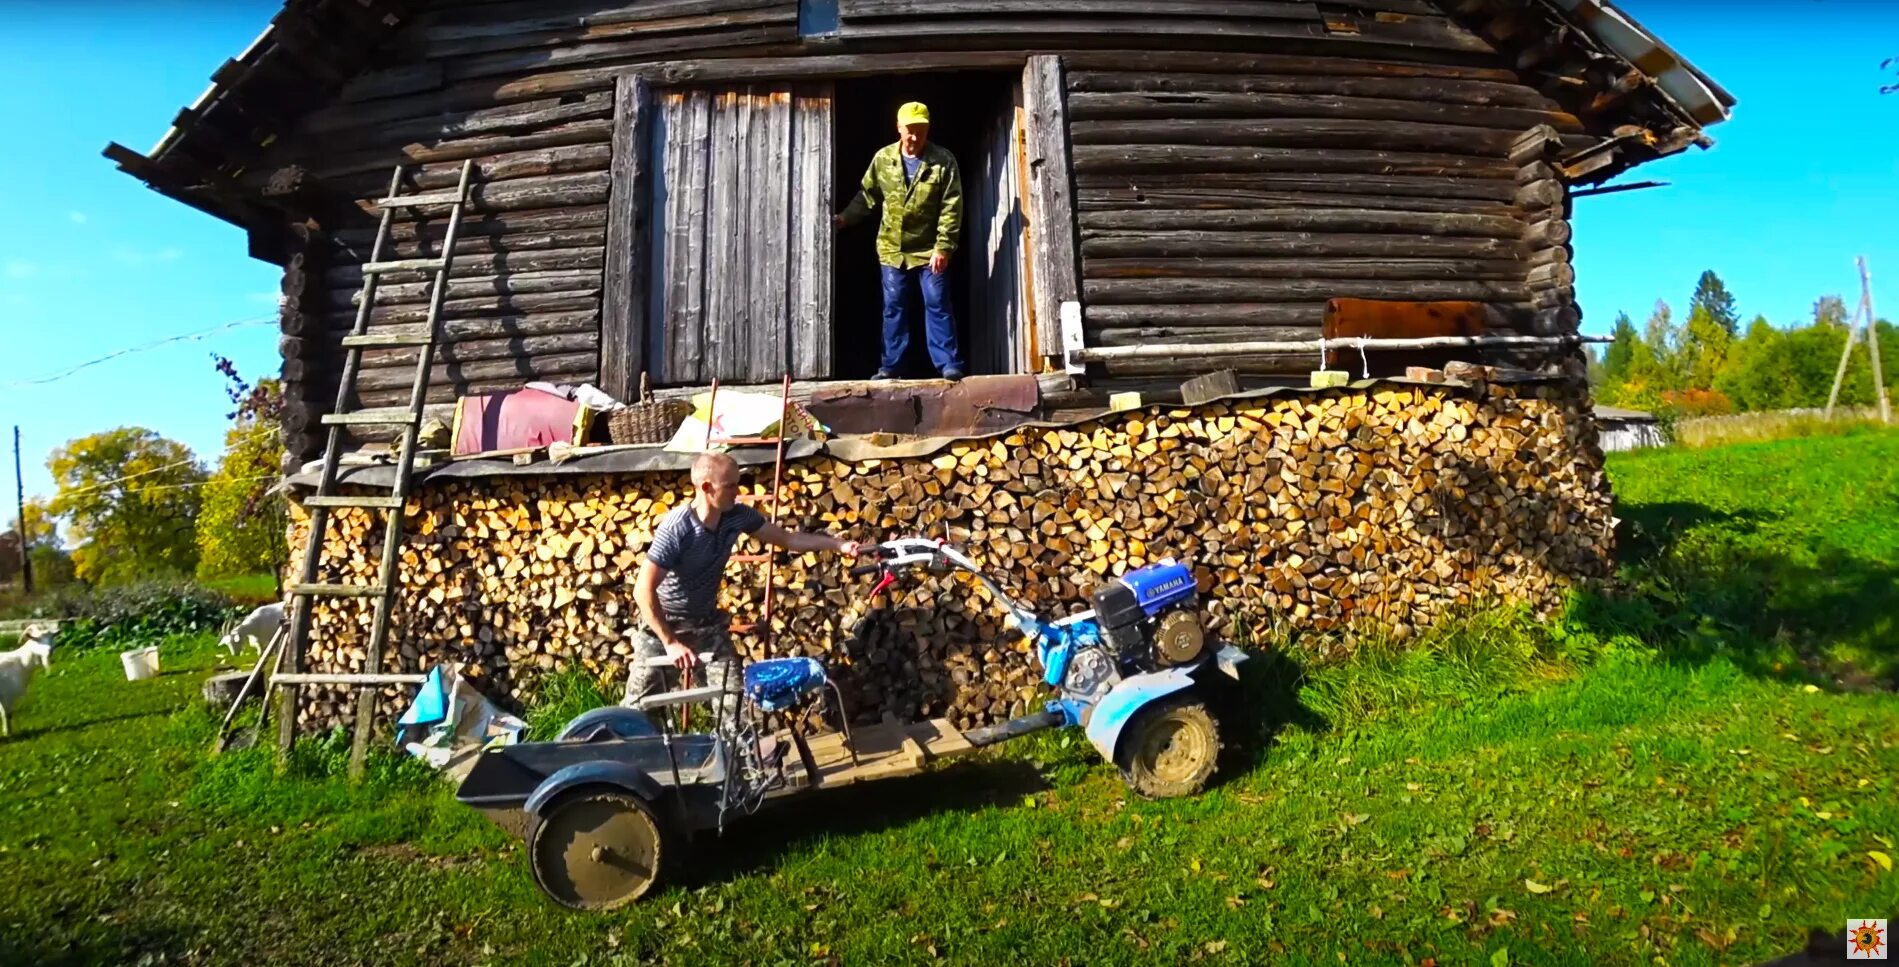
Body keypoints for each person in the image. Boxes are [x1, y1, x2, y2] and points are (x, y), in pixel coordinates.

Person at [623, 452, 863, 720]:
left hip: (706, 626)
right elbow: (642, 589)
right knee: (637, 709)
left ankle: (736, 756)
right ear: (706, 487)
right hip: (663, 628)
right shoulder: (678, 528)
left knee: (733, 703)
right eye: (731, 486)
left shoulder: (737, 516)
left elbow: (787, 539)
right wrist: (670, 642)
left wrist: (838, 545)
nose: (738, 492)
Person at [834, 100, 969, 382]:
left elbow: (951, 205)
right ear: (899, 128)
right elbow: (867, 196)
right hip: (892, 249)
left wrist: (944, 246)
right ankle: (891, 366)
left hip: (929, 248)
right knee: (894, 306)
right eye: (910, 129)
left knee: (937, 302)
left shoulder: (942, 161)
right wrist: (845, 219)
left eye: (920, 129)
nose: (915, 136)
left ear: (928, 128)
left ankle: (948, 364)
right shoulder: (883, 159)